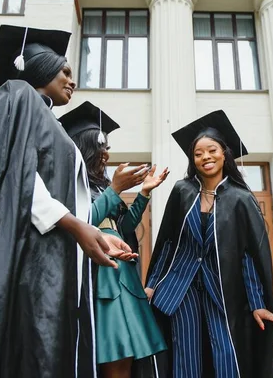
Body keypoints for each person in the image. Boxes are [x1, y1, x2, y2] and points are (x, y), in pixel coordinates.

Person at [0, 25, 133, 378]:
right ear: (39, 66)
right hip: (31, 258)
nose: (72, 81)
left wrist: (95, 232)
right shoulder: (18, 95)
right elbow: (19, 176)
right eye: (65, 71)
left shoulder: (48, 121)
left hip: (54, 257)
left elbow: (63, 192)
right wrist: (74, 225)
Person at [145, 110, 273, 378]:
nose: (205, 157)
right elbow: (167, 241)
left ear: (224, 154)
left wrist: (257, 302)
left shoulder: (240, 198)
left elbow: (248, 256)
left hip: (223, 291)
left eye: (211, 151)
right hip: (180, 289)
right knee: (185, 356)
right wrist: (152, 284)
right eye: (198, 154)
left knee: (226, 355)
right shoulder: (182, 191)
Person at [59, 101, 168, 378]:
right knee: (113, 353)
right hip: (100, 277)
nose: (106, 153)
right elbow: (81, 223)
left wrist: (143, 193)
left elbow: (124, 227)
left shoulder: (100, 185)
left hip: (124, 276)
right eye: (100, 147)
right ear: (86, 148)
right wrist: (116, 189)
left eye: (106, 147)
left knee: (129, 355)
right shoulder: (69, 182)